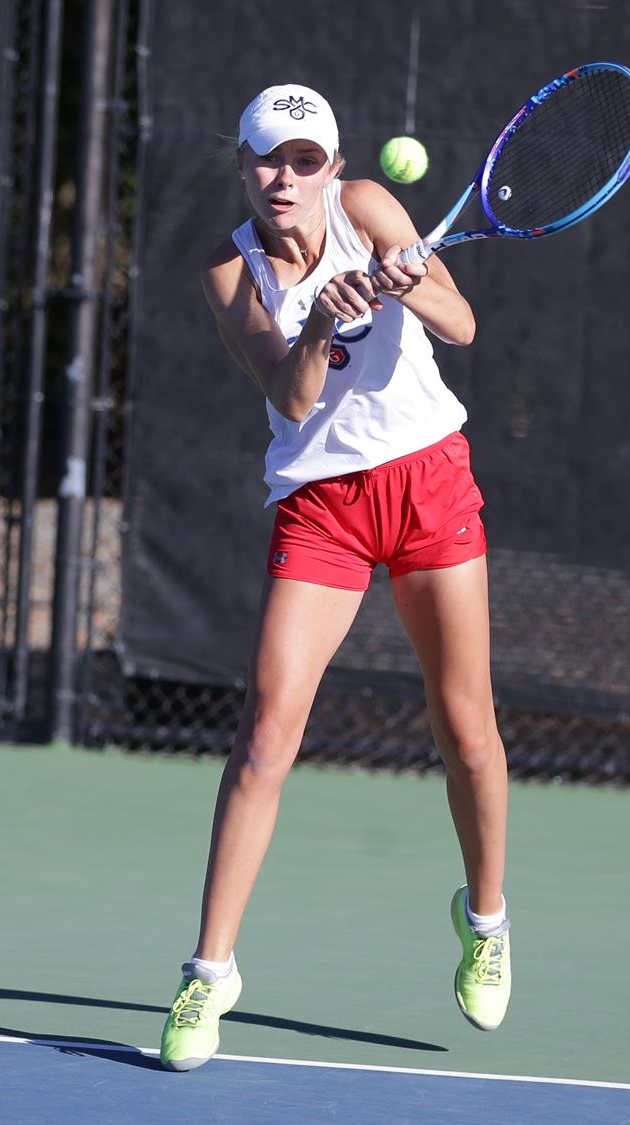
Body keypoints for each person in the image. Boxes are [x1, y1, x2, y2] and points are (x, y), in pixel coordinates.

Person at [158, 83, 513, 1072]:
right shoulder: (227, 271)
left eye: (304, 160)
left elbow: (461, 324)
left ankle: (484, 924)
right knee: (266, 734)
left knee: (468, 730)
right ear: (242, 163)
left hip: (429, 481)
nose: (285, 178)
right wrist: (319, 322)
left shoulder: (368, 207)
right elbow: (291, 394)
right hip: (324, 506)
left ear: (332, 166)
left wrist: (406, 281)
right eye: (268, 159)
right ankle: (206, 975)